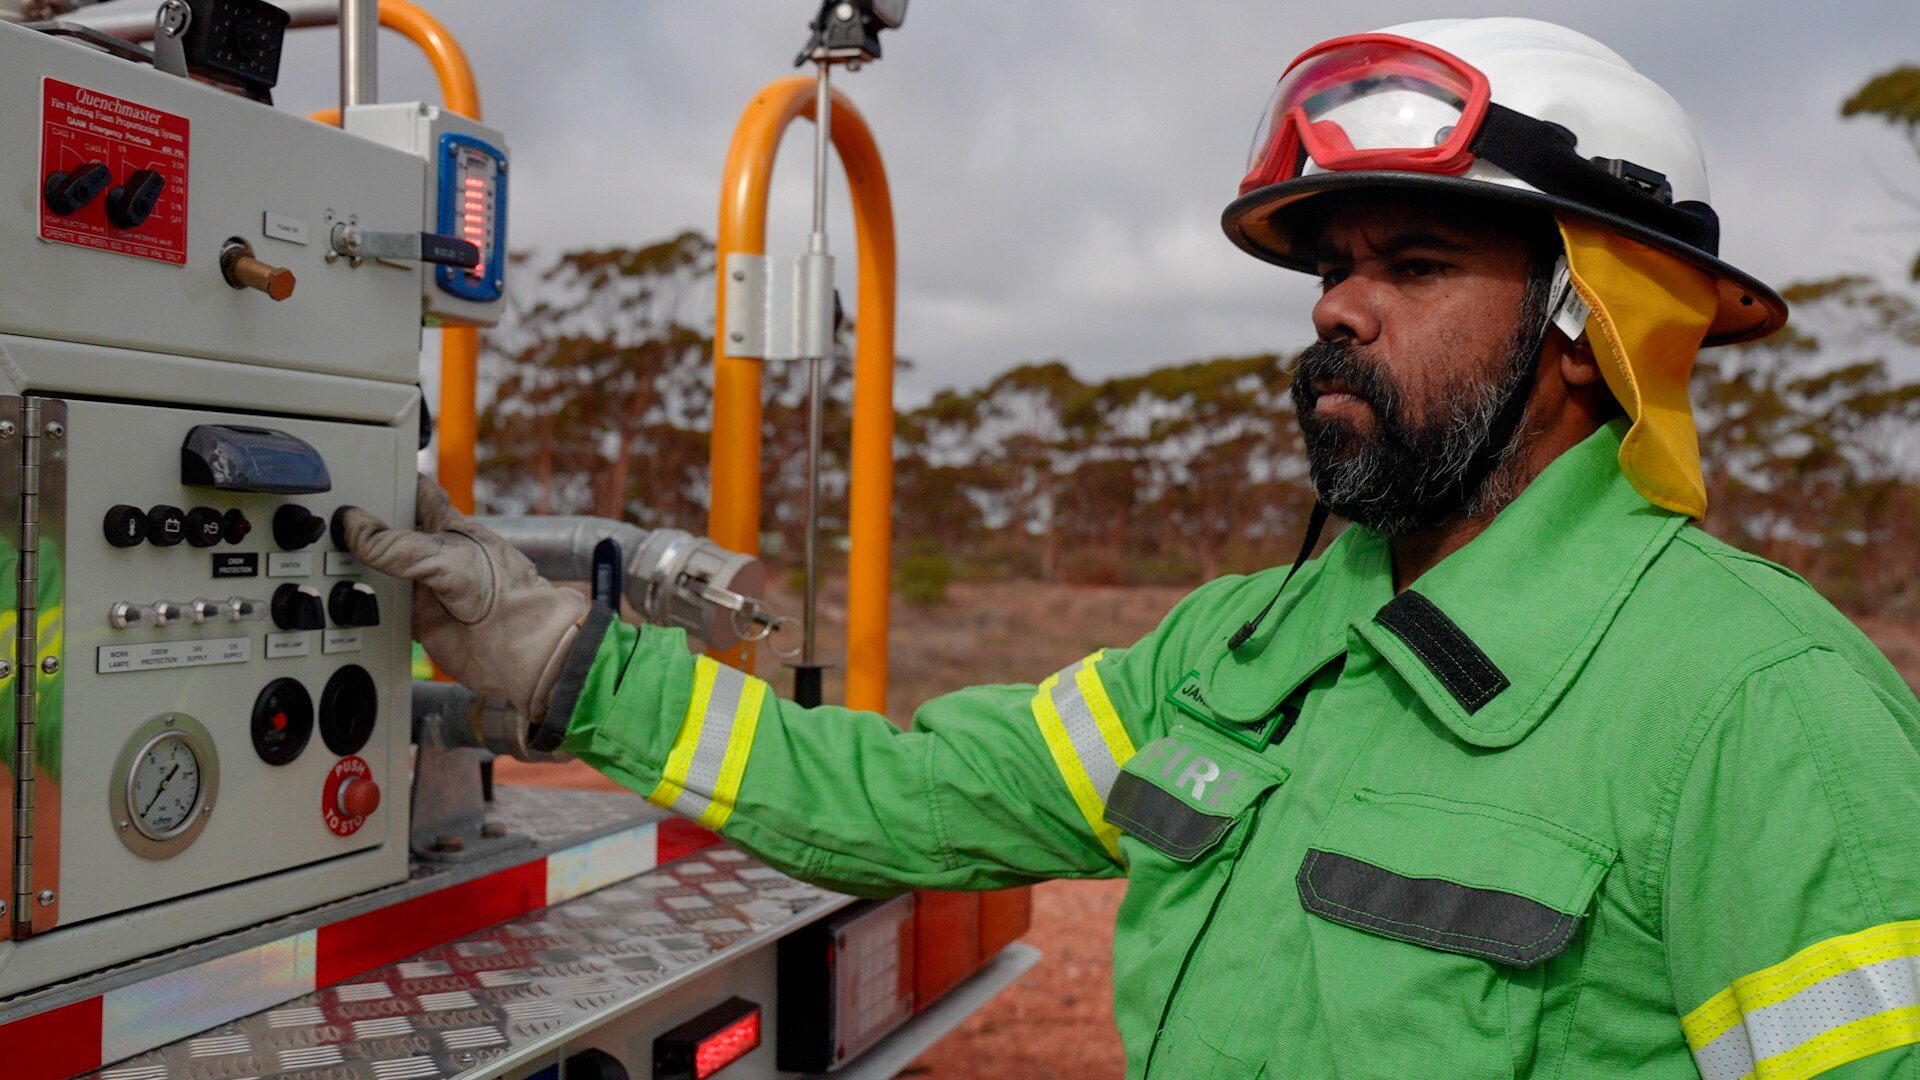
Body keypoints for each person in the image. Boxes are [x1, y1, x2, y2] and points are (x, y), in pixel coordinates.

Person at [344, 18, 1920, 1079]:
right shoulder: (1239, 653)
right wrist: (563, 660)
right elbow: (894, 800)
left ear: (1595, 330)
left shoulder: (1762, 715)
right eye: (1328, 270)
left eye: (1416, 263)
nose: (1335, 311)